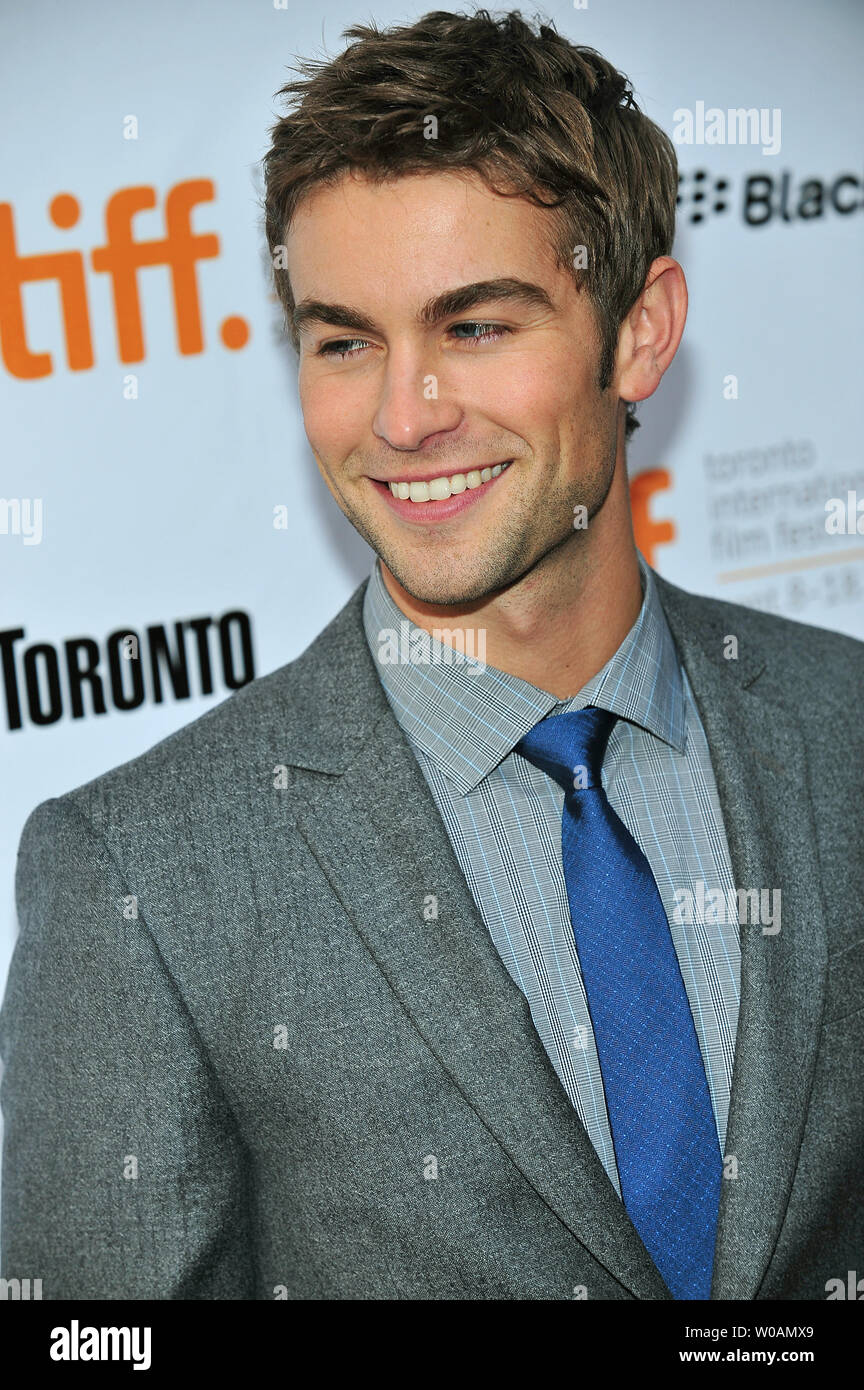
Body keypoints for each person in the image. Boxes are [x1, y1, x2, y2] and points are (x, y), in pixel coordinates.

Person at [1, 8, 862, 1301]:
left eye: (475, 327)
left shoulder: (844, 728)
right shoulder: (142, 877)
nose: (403, 417)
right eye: (344, 339)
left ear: (640, 328)